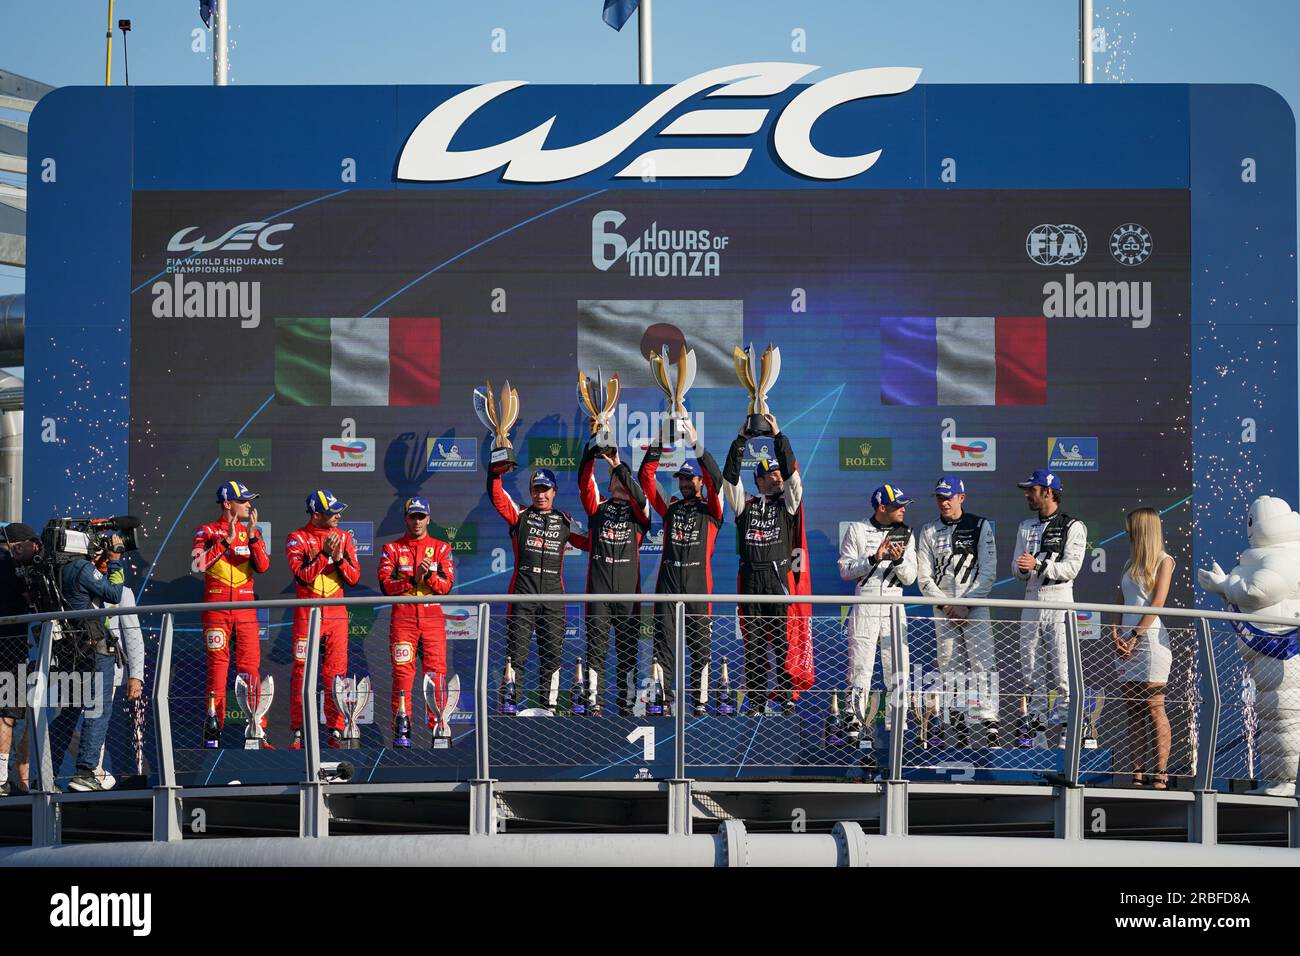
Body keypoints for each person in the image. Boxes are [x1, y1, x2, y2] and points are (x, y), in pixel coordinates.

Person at [722, 415, 806, 715]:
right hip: (750, 579)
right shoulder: (745, 504)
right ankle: (756, 701)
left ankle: (784, 698)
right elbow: (729, 480)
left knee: (782, 642)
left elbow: (794, 479)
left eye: (778, 473)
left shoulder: (789, 505)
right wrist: (741, 440)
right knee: (754, 644)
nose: (777, 478)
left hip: (777, 578)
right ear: (758, 479)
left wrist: (778, 436)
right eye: (770, 474)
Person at [639, 421, 724, 716]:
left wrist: (696, 444)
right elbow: (645, 478)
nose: (686, 483)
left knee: (700, 649)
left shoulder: (712, 510)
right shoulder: (671, 507)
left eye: (691, 479)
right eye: (682, 479)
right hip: (668, 584)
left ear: (700, 482)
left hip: (699, 587)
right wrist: (660, 441)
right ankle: (663, 701)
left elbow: (717, 477)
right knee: (662, 645)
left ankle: (700, 704)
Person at [488, 463, 589, 711]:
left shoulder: (565, 521)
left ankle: (550, 708)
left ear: (554, 492)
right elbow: (498, 497)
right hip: (522, 594)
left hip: (553, 597)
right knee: (517, 656)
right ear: (530, 492)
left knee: (552, 658)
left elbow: (591, 542)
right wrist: (494, 473)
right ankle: (509, 707)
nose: (540, 495)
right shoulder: (520, 515)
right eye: (536, 490)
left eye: (545, 490)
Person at [915, 476, 1000, 747]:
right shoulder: (928, 530)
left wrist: (966, 604)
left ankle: (990, 727)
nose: (943, 502)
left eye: (948, 497)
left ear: (961, 497)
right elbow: (924, 578)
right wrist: (948, 605)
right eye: (939, 497)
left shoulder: (980, 525)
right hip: (944, 609)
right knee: (949, 665)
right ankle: (959, 726)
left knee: (982, 664)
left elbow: (988, 573)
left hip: (974, 607)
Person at [1012, 468, 1087, 747]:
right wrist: (1021, 569)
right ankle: (1038, 736)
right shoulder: (1025, 526)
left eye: (1032, 489)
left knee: (1062, 671)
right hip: (1031, 597)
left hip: (1059, 598)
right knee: (1032, 672)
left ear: (1048, 491)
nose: (1027, 494)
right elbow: (1016, 567)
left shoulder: (1073, 526)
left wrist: (1039, 564)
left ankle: (1069, 735)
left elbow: (1072, 568)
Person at [192, 481, 270, 742]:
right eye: (243, 500)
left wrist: (253, 536)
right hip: (216, 609)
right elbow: (198, 565)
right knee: (218, 668)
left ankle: (257, 728)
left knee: (250, 668)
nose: (249, 504)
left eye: (249, 499)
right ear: (227, 504)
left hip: (246, 609)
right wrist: (225, 541)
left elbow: (263, 567)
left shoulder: (252, 532)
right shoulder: (206, 531)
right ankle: (214, 729)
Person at [48, 529, 125, 791]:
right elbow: (114, 594)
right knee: (98, 708)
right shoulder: (80, 568)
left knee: (68, 713)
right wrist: (114, 560)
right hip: (94, 648)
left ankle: (47, 774)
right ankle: (86, 771)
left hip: (69, 650)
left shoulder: (53, 570)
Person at [578, 442, 651, 716]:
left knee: (628, 652)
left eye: (624, 480)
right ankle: (592, 704)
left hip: (628, 594)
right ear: (608, 486)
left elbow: (641, 498)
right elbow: (584, 483)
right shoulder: (597, 508)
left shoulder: (640, 513)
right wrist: (590, 455)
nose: (620, 484)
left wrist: (619, 466)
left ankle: (628, 704)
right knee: (595, 650)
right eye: (615, 480)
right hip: (598, 592)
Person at [839, 484, 917, 741]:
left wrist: (897, 560)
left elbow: (909, 578)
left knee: (898, 668)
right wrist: (874, 558)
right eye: (898, 506)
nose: (904, 510)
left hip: (895, 606)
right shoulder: (858, 529)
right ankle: (854, 722)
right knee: (860, 666)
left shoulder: (906, 533)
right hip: (866, 604)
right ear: (883, 508)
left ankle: (898, 726)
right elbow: (845, 570)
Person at [286, 489, 360, 748]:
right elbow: (303, 576)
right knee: (302, 673)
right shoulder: (297, 538)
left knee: (335, 675)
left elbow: (353, 578)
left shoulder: (344, 538)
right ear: (316, 515)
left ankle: (336, 732)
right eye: (332, 512)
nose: (338, 516)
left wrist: (338, 559)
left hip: (336, 616)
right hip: (308, 615)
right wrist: (324, 555)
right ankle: (298, 732)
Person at [377, 496, 454, 739]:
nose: (417, 521)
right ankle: (402, 728)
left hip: (432, 620)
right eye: (413, 516)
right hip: (404, 620)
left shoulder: (442, 548)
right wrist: (413, 580)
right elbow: (385, 585)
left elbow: (446, 586)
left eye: (422, 516)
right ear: (406, 519)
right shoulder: (391, 548)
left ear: (428, 519)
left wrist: (428, 577)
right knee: (402, 675)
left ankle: (438, 727)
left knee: (436, 674)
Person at [1111, 508, 1175, 788]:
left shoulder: (1165, 561)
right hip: (1126, 641)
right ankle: (1138, 775)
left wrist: (1136, 635)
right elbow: (1119, 600)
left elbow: (1157, 603)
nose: (1128, 533)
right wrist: (1115, 631)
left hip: (1149, 642)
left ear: (1143, 529)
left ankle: (1161, 773)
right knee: (1133, 709)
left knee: (1153, 706)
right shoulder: (1129, 563)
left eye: (1132, 528)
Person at [0, 523, 41, 796]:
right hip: (10, 650)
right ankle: (3, 776)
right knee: (8, 714)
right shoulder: (10, 567)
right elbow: (31, 598)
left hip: (12, 648)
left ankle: (7, 777)